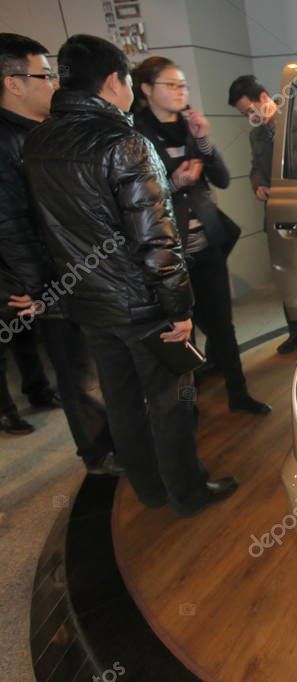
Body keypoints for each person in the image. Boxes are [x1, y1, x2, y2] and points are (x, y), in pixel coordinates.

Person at [23, 34, 237, 516]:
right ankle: (188, 493)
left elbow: (34, 223)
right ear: (116, 80)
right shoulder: (124, 142)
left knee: (121, 402)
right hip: (141, 303)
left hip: (87, 300)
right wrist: (179, 309)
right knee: (171, 402)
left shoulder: (39, 140)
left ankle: (149, 489)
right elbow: (157, 240)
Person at [0, 32, 123, 474]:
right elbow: (10, 222)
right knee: (78, 372)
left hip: (77, 271)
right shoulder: (7, 142)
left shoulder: (42, 132)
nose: (54, 82)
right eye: (44, 74)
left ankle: (114, 442)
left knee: (95, 365)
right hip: (54, 280)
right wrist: (40, 287)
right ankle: (98, 454)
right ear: (13, 83)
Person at [131, 57, 270, 416]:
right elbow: (134, 197)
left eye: (183, 85)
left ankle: (239, 394)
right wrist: (173, 183)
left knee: (222, 325)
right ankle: (188, 410)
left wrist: (203, 139)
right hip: (168, 254)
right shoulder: (137, 135)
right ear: (146, 89)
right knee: (182, 333)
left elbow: (222, 178)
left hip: (206, 243)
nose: (180, 92)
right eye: (171, 85)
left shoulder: (191, 126)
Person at [227, 75, 297, 354]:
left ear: (264, 99)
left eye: (251, 110)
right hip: (279, 217)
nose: (250, 117)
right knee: (287, 274)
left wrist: (295, 187)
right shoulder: (257, 135)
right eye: (244, 115)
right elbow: (256, 168)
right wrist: (258, 184)